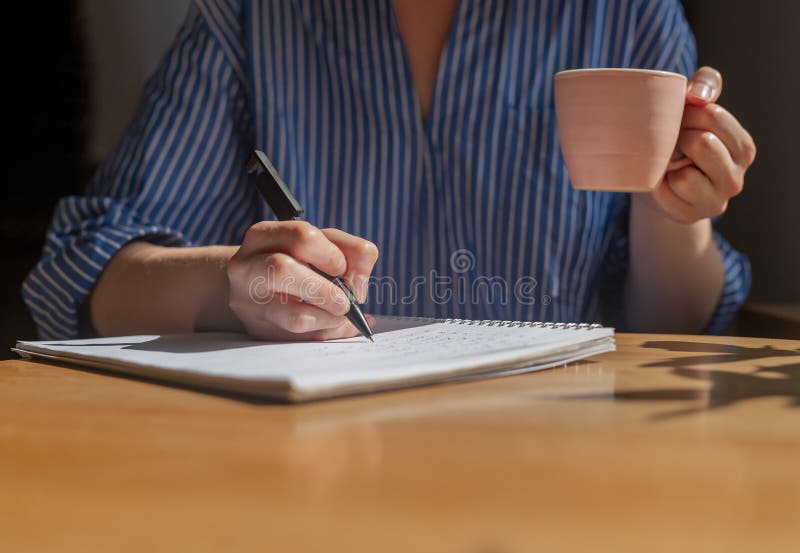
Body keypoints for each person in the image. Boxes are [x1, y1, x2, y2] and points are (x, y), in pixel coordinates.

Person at [23, 0, 755, 341]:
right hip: (296, 466)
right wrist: (236, 289)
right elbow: (81, 276)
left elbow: (672, 325)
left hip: (562, 453)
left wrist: (674, 212)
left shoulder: (625, 15)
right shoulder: (252, 16)